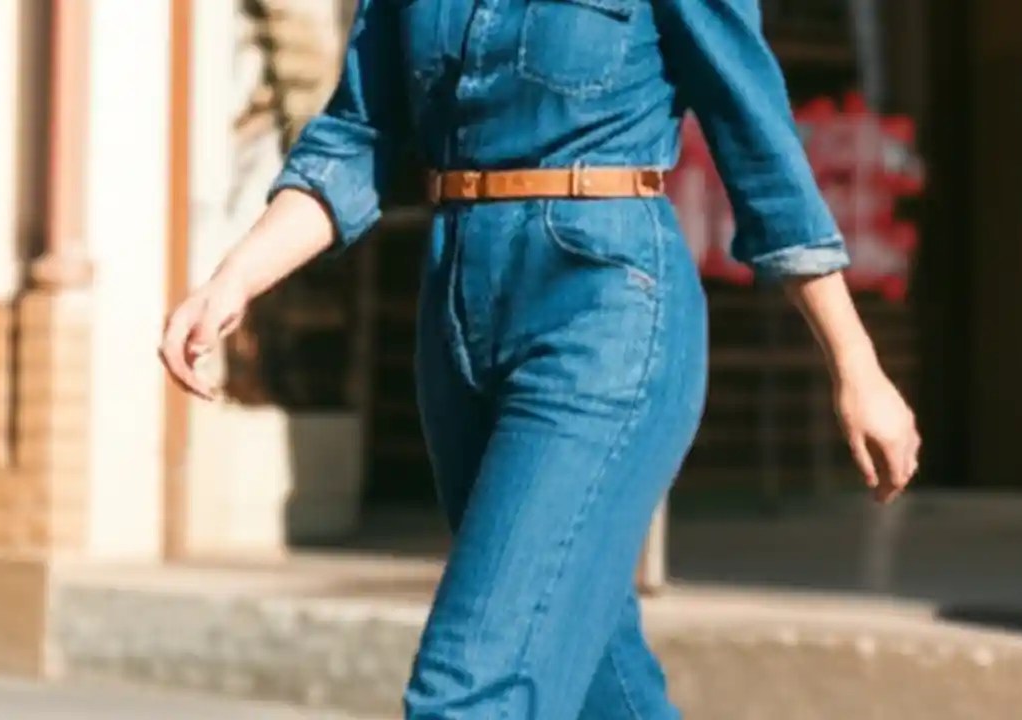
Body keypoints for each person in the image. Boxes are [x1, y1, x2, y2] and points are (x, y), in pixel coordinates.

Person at [159, 0, 921, 717]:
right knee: (596, 678)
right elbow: (359, 131)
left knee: (471, 689)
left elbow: (755, 136)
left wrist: (856, 362)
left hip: (607, 309)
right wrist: (235, 278)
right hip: (458, 315)